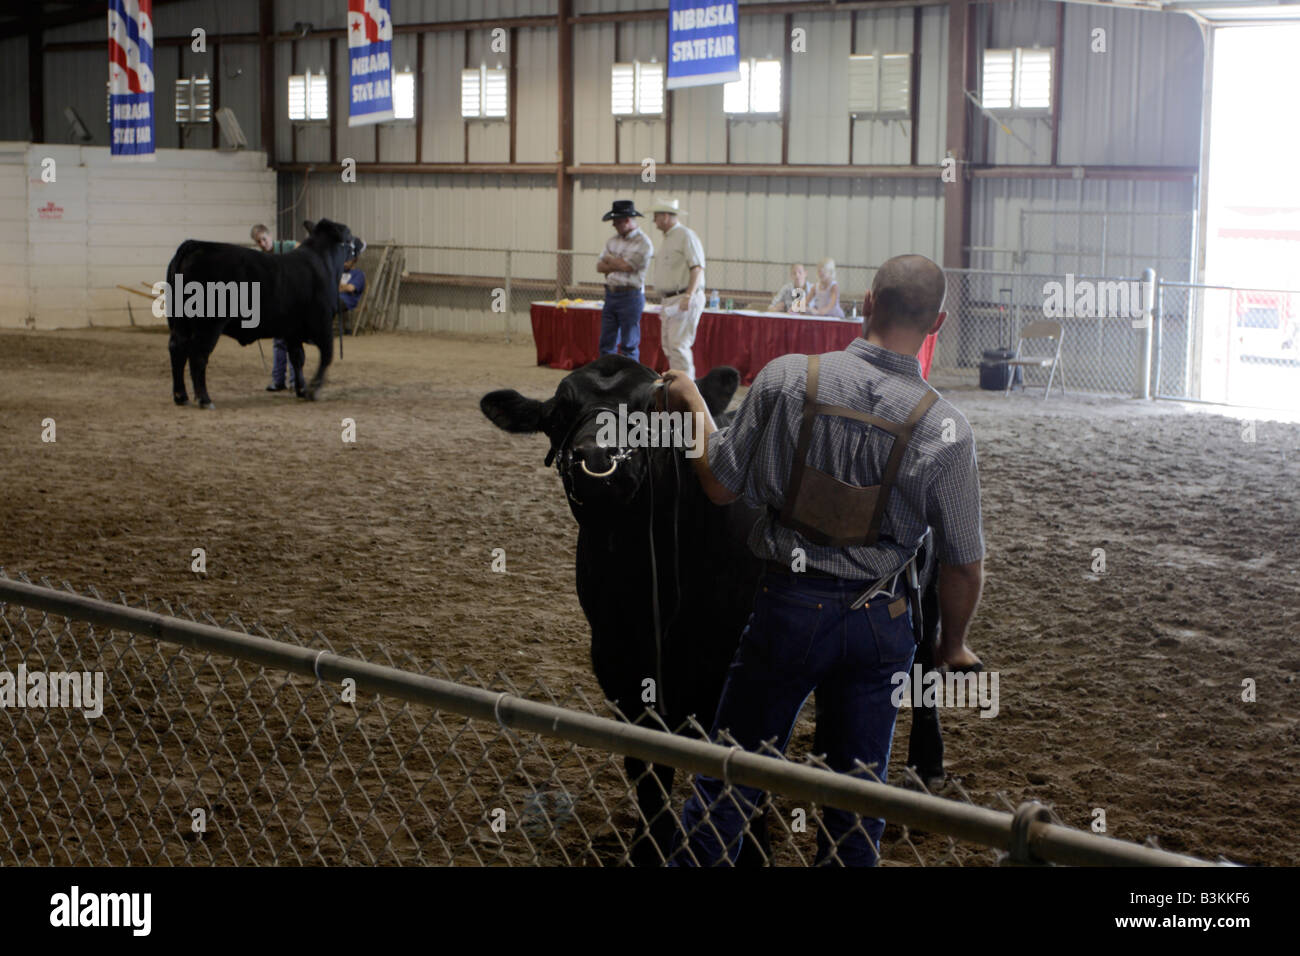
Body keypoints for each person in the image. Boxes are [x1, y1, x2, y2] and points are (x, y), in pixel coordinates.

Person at [660, 254, 985, 867]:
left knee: (730, 775)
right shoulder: (946, 429)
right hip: (880, 620)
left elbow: (722, 485)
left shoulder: (785, 379)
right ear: (937, 322)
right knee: (857, 799)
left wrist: (694, 404)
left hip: (787, 607)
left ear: (865, 302)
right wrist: (952, 645)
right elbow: (963, 565)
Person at [650, 198, 706, 378]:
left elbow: (697, 267)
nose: (654, 221)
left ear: (666, 216)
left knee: (678, 345)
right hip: (672, 299)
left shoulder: (685, 235)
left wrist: (688, 296)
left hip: (682, 296)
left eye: (656, 216)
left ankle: (687, 390)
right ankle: (680, 386)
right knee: (671, 345)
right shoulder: (670, 238)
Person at [595, 199, 654, 361]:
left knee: (629, 343)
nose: (614, 225)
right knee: (607, 341)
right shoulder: (612, 240)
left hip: (631, 295)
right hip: (611, 294)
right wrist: (619, 263)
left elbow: (628, 266)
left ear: (627, 221)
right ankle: (606, 376)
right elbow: (600, 266)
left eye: (616, 222)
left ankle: (630, 378)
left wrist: (610, 260)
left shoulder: (643, 243)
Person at [251, 224, 304, 393]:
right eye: (259, 241)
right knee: (279, 342)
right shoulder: (260, 258)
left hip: (291, 302)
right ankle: (279, 380)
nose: (262, 243)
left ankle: (295, 380)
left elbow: (300, 247)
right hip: (275, 304)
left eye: (264, 239)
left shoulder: (286, 247)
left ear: (270, 236)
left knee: (292, 342)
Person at [337, 251, 366, 334]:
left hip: (347, 301)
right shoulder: (339, 272)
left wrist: (339, 287)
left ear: (354, 260)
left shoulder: (359, 274)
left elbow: (351, 288)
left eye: (347, 260)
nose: (344, 262)